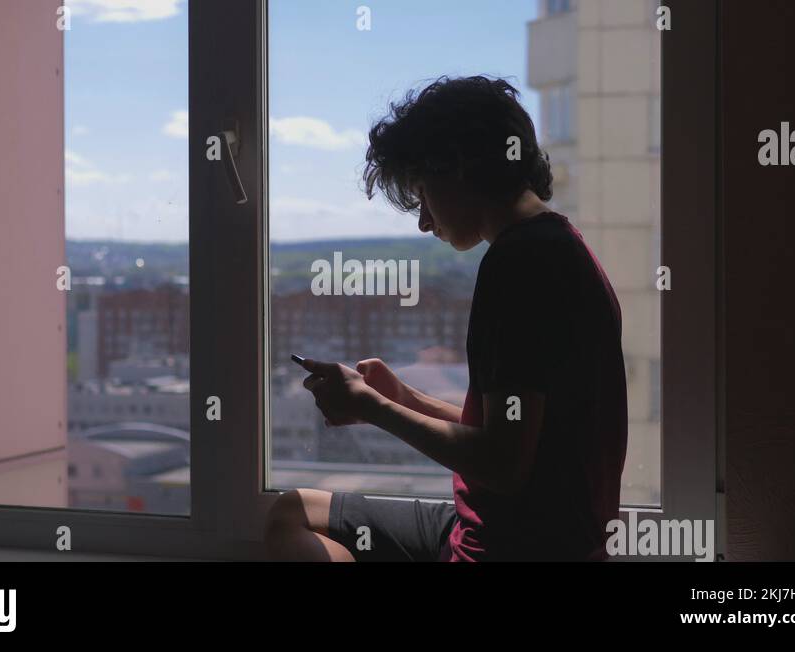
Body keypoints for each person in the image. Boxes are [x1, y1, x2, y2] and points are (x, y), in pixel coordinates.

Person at [264, 75, 627, 561]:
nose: (423, 221)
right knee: (295, 511)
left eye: (421, 193)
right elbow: (517, 439)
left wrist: (372, 409)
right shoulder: (561, 244)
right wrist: (400, 398)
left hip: (504, 546)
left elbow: (502, 465)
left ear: (456, 167)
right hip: (535, 534)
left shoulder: (517, 266)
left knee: (288, 518)